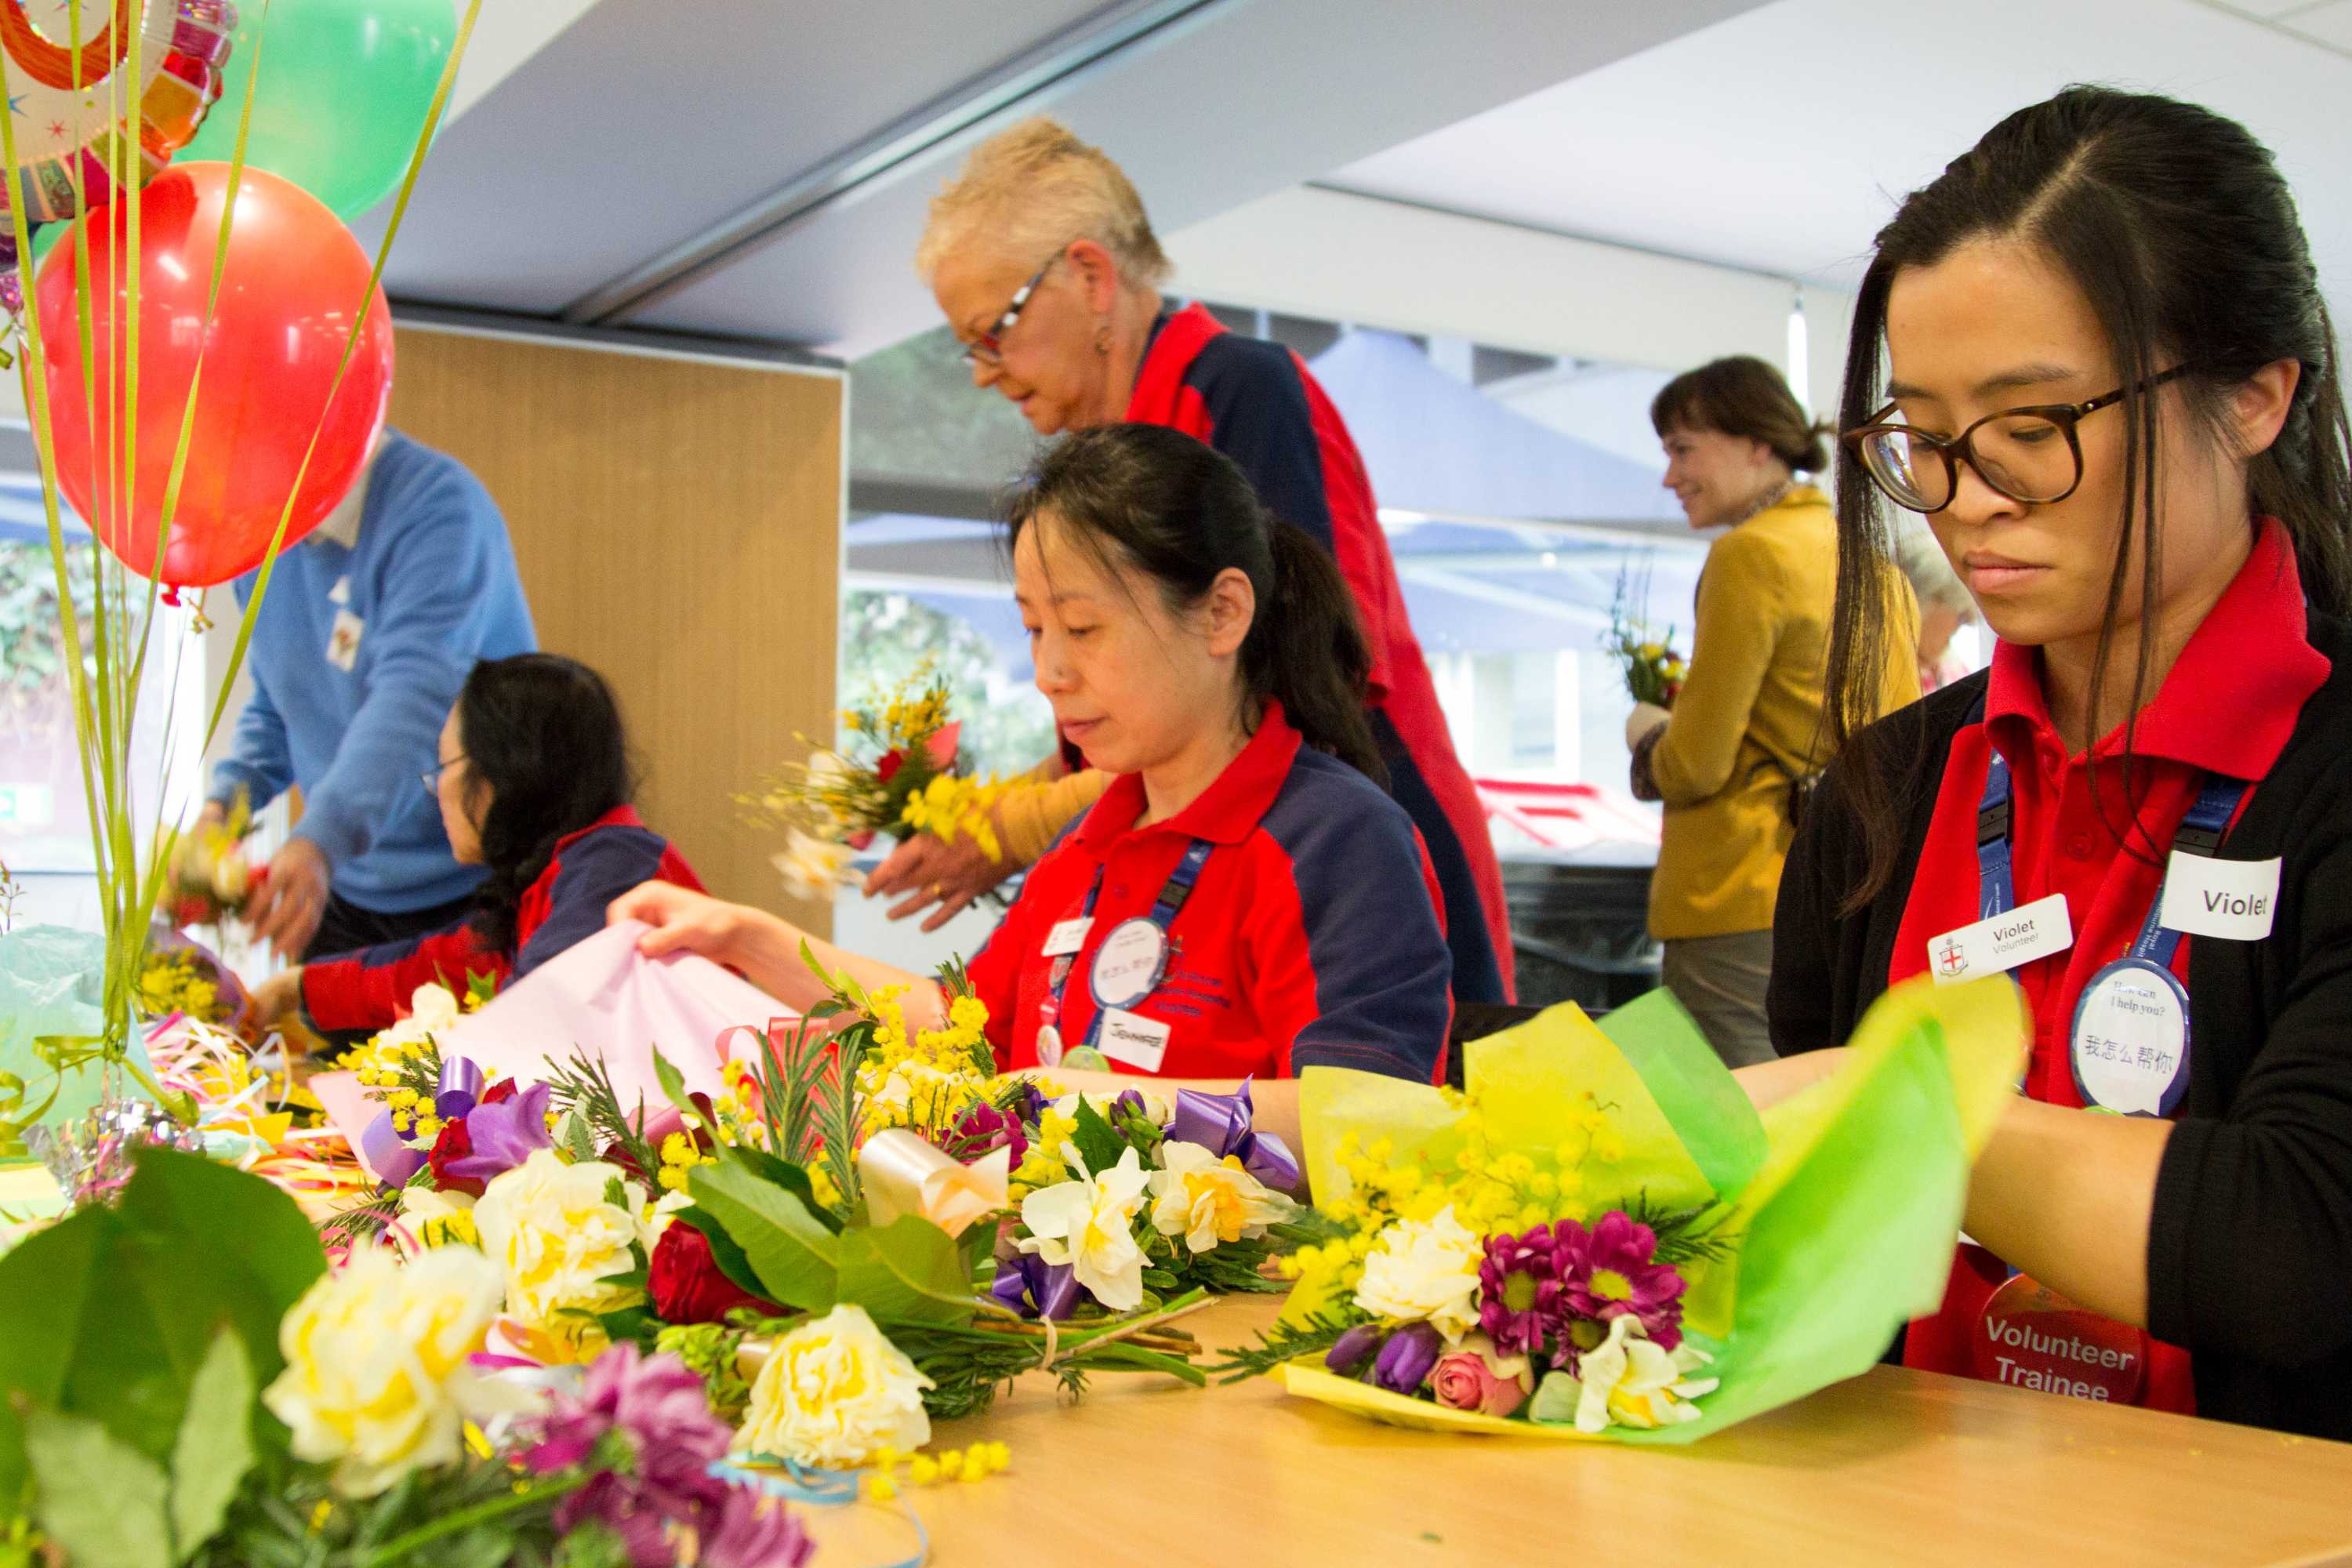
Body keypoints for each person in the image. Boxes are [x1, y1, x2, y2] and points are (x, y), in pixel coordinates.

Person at [1762, 88, 2352, 1439]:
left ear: (2258, 392)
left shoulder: (2325, 780)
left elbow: (2305, 1248)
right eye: (1923, 438)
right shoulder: (1888, 788)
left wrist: (1882, 1109)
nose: (1968, 501)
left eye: (2033, 428)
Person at [615, 426, 1457, 1153]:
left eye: (1083, 627)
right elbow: (963, 1029)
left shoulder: (1335, 839)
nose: (1049, 672)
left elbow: (1369, 1118)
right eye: (1034, 627)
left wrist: (1081, 1103)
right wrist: (749, 938)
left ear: (1222, 614)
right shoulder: (1089, 840)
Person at [876, 115, 1514, 1007]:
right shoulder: (1110, 459)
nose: (985, 372)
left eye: (995, 331)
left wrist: (1019, 826)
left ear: (1091, 276)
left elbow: (1291, 689)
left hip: (1344, 853)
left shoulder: (1240, 390)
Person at [1627, 356, 1918, 1067]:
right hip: (1850, 882)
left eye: (1682, 448)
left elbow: (1697, 764)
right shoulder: (1865, 554)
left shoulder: (1749, 556)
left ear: (1759, 443)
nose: (1670, 476)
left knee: (1735, 1127)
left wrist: (1646, 738)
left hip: (1741, 887)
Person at [207, 429, 536, 963]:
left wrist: (319, 841)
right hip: (347, 888)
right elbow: (279, 700)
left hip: (469, 890)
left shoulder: (439, 510)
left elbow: (416, 700)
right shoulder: (262, 529)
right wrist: (224, 808)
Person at [250, 654, 702, 1039]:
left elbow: (531, 1032)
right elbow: (442, 967)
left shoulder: (611, 876)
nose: (438, 788)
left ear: (503, 773)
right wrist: (293, 988)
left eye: (446, 764)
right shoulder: (574, 866)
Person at [1891, 520, 1980, 691]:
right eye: (1961, 615)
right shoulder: (1870, 669)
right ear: (1924, 601)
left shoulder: (1952, 668)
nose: (1964, 624)